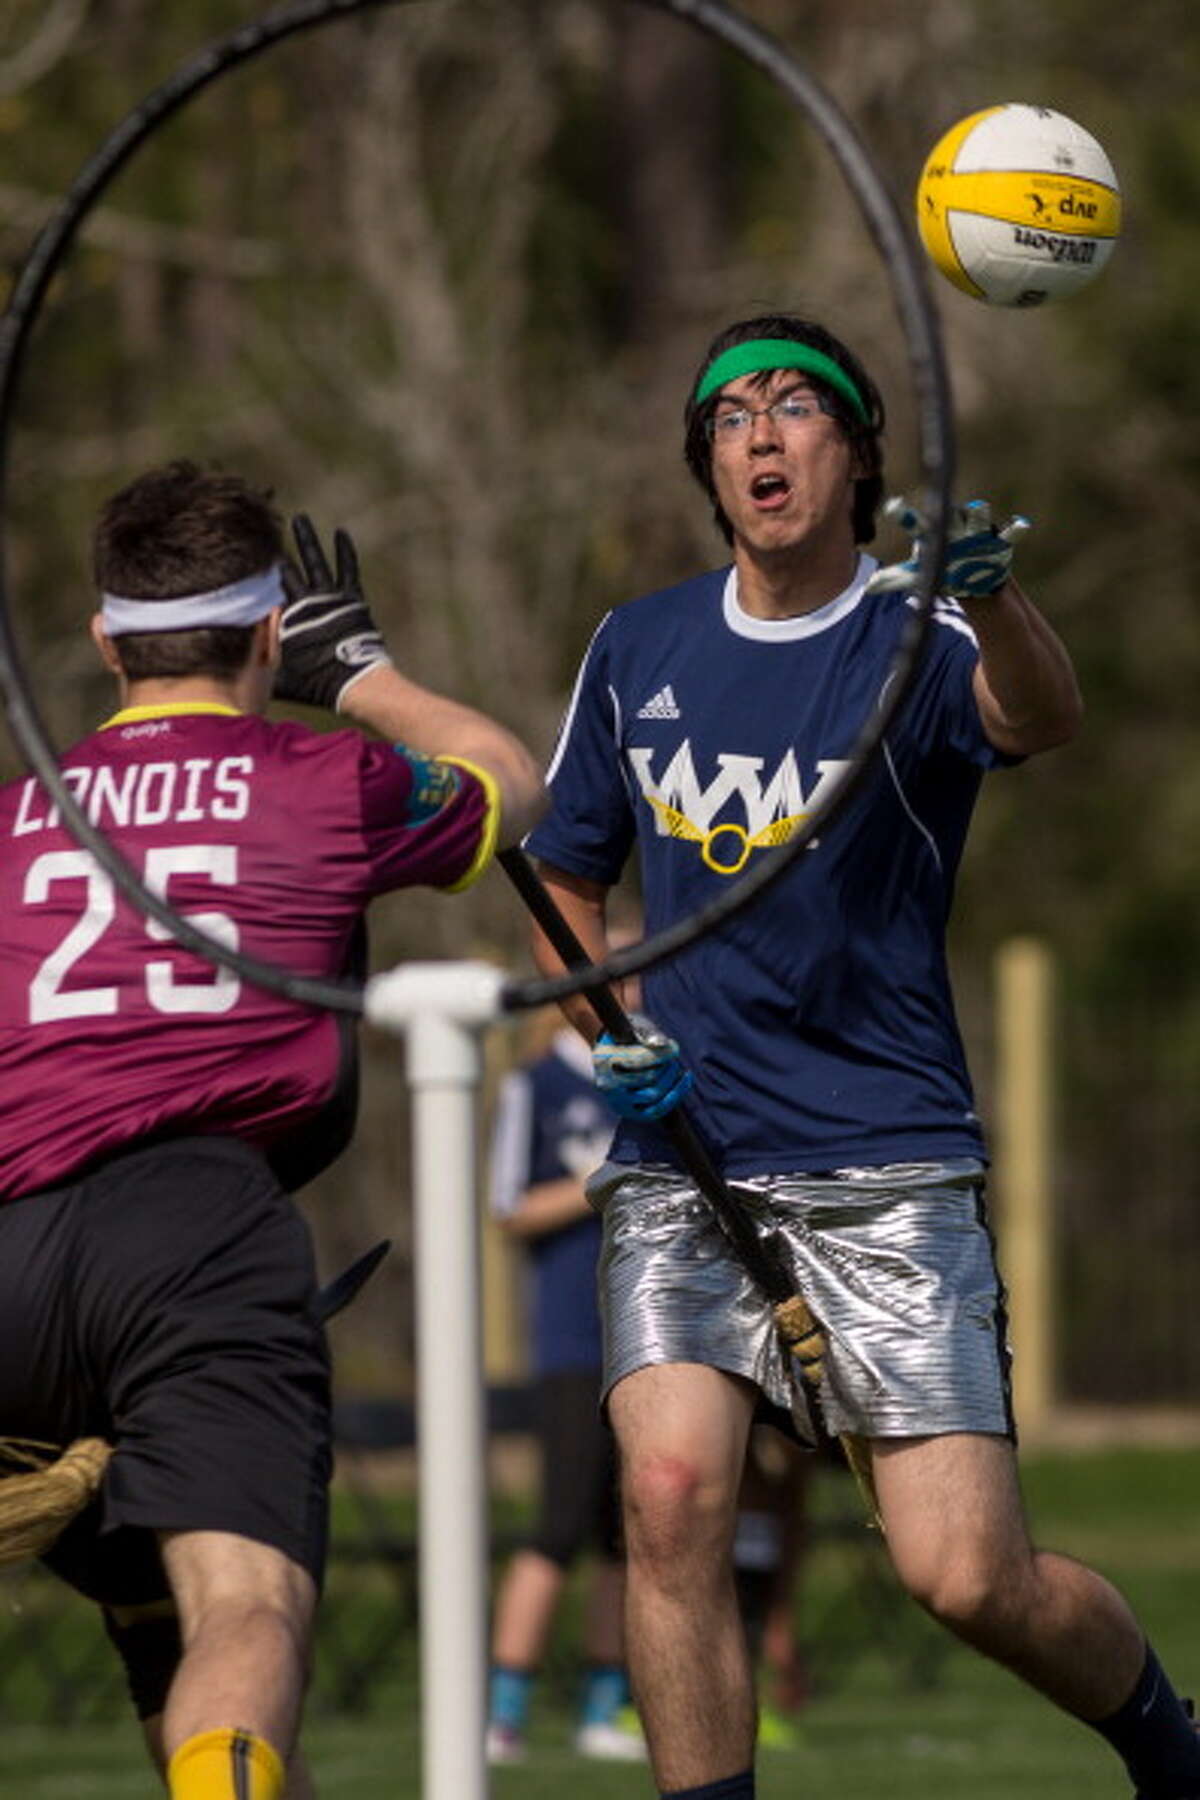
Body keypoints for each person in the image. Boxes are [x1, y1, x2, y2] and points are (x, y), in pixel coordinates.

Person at [522, 313, 1200, 1800]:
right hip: (682, 1158)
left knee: (966, 1577)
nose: (761, 436)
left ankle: (1174, 1748)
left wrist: (997, 598)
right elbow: (564, 876)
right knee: (669, 1497)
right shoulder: (636, 646)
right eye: (730, 417)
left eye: (795, 408)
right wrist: (607, 1028)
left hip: (885, 1160)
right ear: (708, 463)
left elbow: (1042, 715)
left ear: (856, 452)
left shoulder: (923, 632)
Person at [0, 460, 545, 1800]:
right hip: (192, 1235)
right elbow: (508, 780)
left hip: (12, 1254)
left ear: (105, 641)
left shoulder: (15, 816)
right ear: (263, 636)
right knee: (246, 1605)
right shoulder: (326, 777)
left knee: (164, 1639)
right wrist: (358, 673)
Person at [485, 1010, 645, 1763]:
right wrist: (600, 1182)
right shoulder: (538, 1083)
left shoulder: (657, 1069)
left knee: (629, 1532)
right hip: (573, 1342)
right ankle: (503, 1712)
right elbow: (508, 1205)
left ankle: (603, 1708)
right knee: (559, 1524)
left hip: (650, 1334)